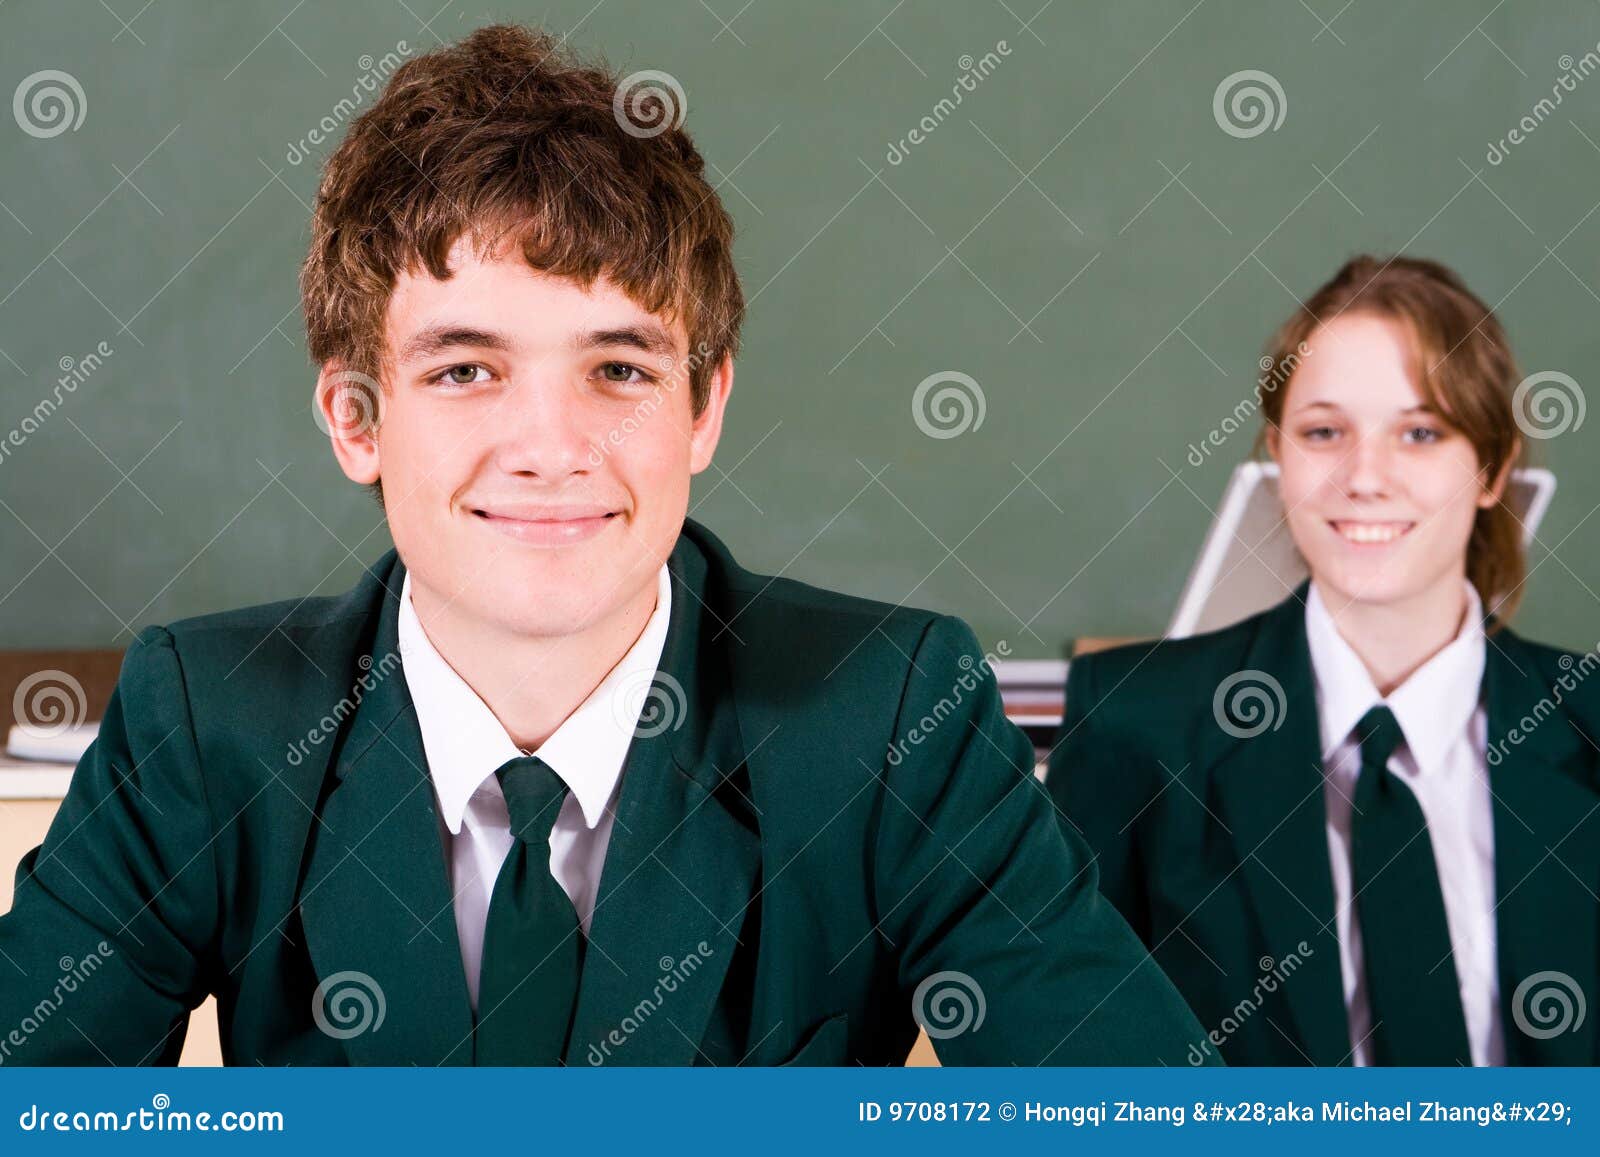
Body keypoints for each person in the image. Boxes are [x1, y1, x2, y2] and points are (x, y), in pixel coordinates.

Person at [0, 24, 1206, 1067]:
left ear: (703, 408)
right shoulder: (208, 730)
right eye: (465, 369)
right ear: (356, 420)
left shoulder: (892, 720)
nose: (550, 445)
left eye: (618, 369)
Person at [1048, 255, 1599, 1067]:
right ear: (1279, 455)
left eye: (1420, 431)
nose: (1364, 478)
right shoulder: (1139, 724)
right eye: (1323, 432)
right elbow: (1063, 1062)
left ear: (1492, 466)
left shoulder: (1585, 724)